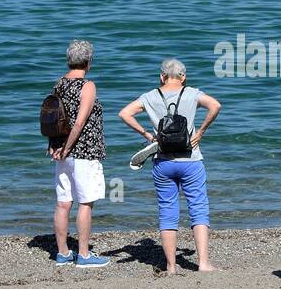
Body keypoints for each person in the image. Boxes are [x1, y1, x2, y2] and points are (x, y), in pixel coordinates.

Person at [119, 58, 221, 274]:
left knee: (167, 210)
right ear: (183, 76)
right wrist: (201, 131)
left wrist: (147, 134)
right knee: (198, 207)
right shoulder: (192, 93)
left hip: (163, 160)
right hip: (190, 159)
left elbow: (124, 113)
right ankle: (203, 264)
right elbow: (215, 105)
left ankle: (171, 266)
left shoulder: (150, 96)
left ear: (161, 76)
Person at [48, 40, 110, 268]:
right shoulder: (88, 86)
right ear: (88, 61)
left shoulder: (60, 84)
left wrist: (55, 145)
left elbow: (52, 117)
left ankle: (63, 253)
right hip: (84, 150)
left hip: (61, 152)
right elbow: (80, 123)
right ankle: (84, 255)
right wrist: (68, 146)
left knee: (63, 202)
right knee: (86, 202)